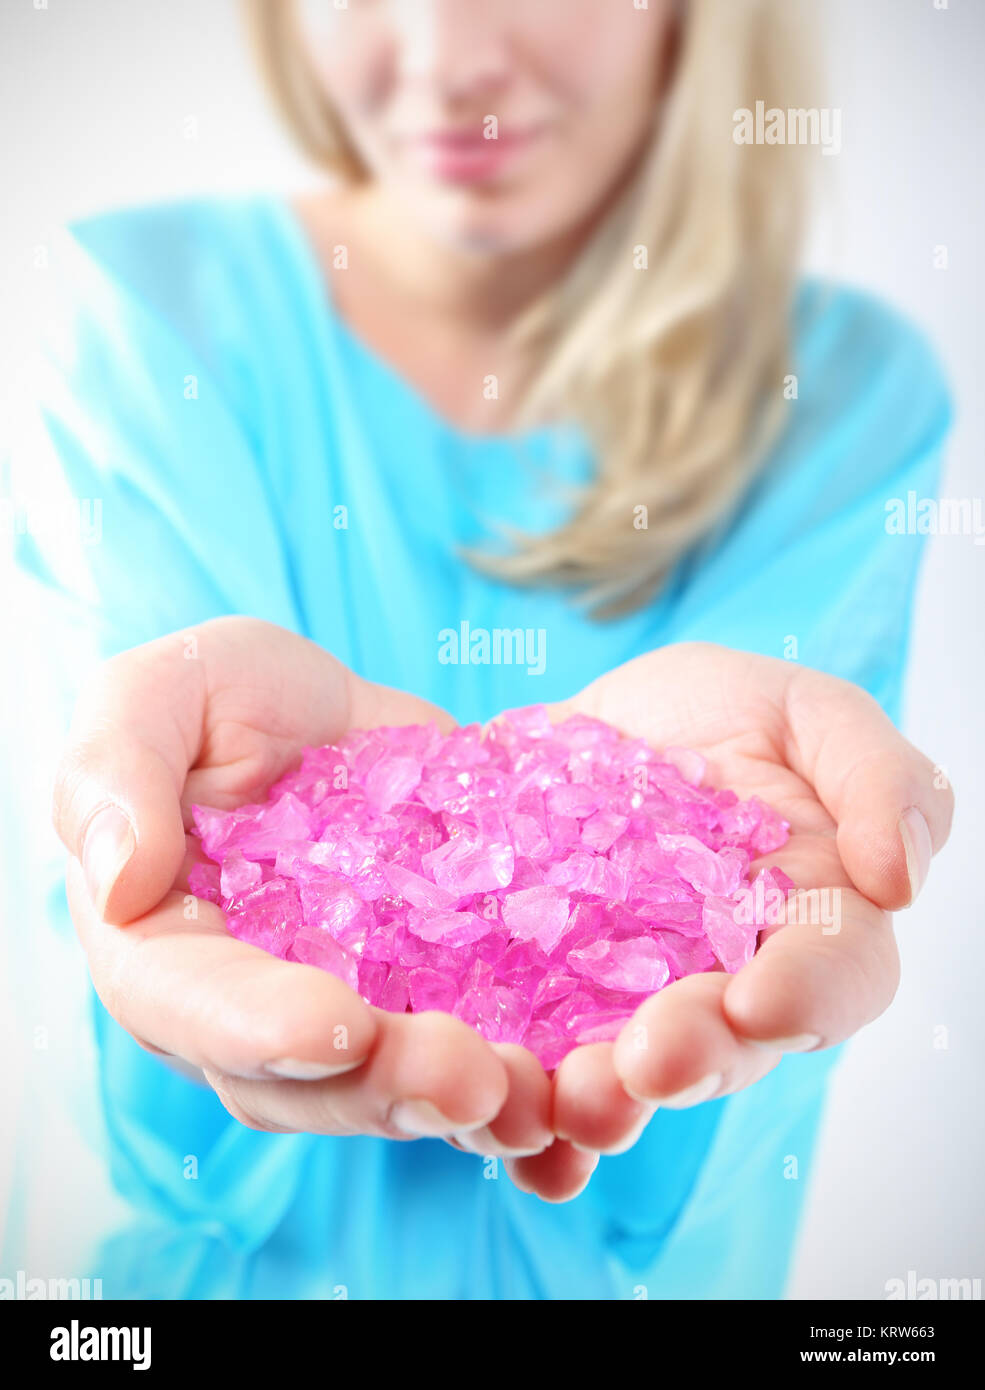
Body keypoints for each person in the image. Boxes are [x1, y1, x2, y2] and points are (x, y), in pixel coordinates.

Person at [2, 0, 954, 1299]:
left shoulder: (841, 392)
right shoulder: (135, 316)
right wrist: (152, 874)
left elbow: (761, 951)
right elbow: (120, 913)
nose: (446, 57)